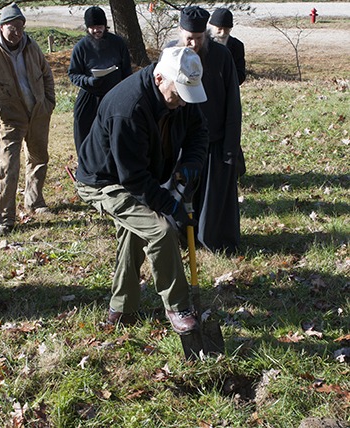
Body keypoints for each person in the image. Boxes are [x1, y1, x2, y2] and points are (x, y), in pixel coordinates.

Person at [75, 46, 209, 335]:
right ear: (160, 78)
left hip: (138, 175)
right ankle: (178, 306)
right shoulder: (128, 108)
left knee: (134, 231)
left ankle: (121, 309)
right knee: (160, 231)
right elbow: (133, 179)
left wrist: (191, 163)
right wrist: (170, 206)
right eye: (180, 96)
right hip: (104, 181)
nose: (185, 104)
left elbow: (199, 131)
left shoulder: (181, 91)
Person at [0, 3, 55, 236]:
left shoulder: (31, 46)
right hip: (10, 118)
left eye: (20, 26)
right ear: (1, 26)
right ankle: (4, 219)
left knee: (39, 159)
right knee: (8, 166)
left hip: (37, 114)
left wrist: (48, 102)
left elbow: (46, 74)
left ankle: (35, 201)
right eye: (12, 27)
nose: (17, 32)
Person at [173, 6, 244, 254]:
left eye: (199, 38)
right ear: (181, 31)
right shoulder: (171, 53)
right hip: (182, 140)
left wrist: (231, 147)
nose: (193, 44)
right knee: (182, 194)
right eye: (189, 38)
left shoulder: (222, 56)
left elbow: (233, 104)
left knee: (215, 199)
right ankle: (183, 237)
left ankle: (213, 241)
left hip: (215, 138)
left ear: (206, 34)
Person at [68, 6, 132, 153]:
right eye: (92, 27)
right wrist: (88, 81)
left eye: (99, 26)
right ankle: (85, 163)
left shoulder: (118, 43)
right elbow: (73, 74)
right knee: (83, 126)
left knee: (115, 131)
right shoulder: (81, 47)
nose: (96, 30)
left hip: (114, 94)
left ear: (105, 26)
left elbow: (127, 72)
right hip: (90, 95)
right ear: (87, 28)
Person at [209, 8, 246, 85]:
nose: (222, 33)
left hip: (228, 88)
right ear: (211, 26)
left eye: (226, 29)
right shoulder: (204, 43)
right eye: (219, 29)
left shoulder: (237, 46)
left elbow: (241, 74)